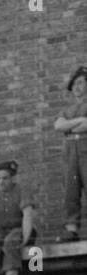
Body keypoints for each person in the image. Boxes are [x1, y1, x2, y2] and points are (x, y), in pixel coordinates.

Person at [52, 64, 87, 241]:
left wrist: (70, 126)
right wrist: (80, 120)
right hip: (70, 153)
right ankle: (71, 229)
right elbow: (58, 125)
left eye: (81, 83)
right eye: (74, 85)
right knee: (70, 191)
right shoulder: (68, 109)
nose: (77, 88)